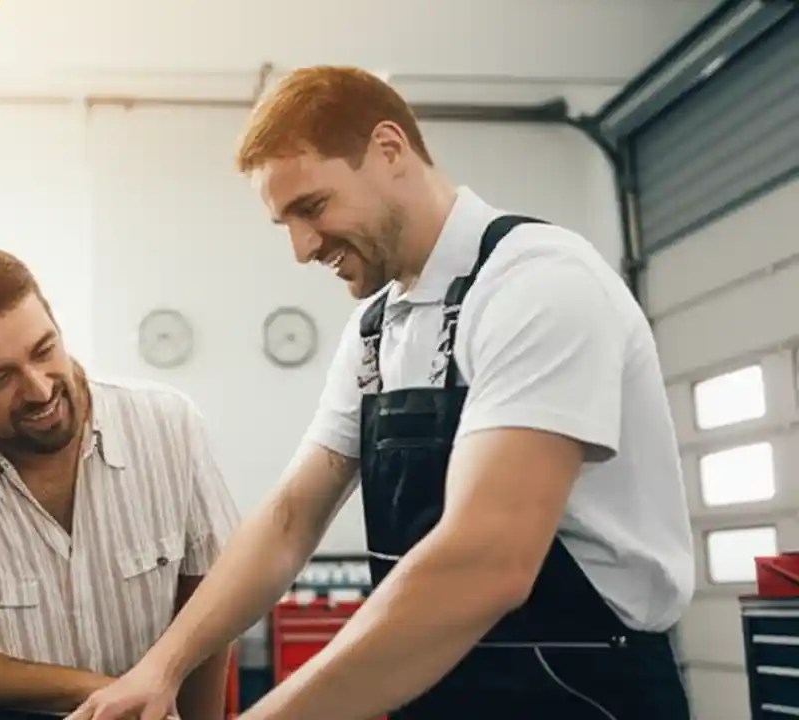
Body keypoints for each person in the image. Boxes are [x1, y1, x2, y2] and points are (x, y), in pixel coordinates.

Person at [69, 66, 695, 720]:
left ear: (389, 151)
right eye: (284, 223)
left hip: (581, 694)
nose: (303, 248)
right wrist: (158, 669)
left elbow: (489, 560)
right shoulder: (377, 331)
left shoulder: (539, 286)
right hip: (438, 692)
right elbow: (289, 520)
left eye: (311, 208)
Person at [0, 245, 240, 718]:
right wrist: (99, 691)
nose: (39, 390)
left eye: (44, 351)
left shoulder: (169, 425)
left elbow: (214, 601)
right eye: (0, 379)